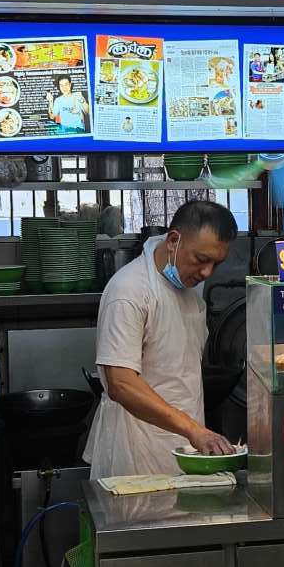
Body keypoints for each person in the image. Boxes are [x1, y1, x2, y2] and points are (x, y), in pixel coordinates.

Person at [84, 201, 239, 479]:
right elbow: (121, 383)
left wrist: (195, 431)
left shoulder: (190, 286)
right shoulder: (129, 291)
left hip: (187, 447)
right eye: (202, 259)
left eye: (216, 263)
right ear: (173, 240)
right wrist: (193, 429)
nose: (207, 272)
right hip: (136, 451)